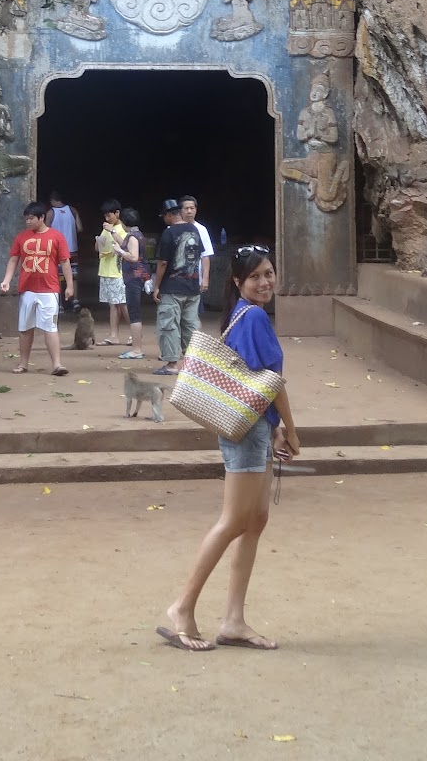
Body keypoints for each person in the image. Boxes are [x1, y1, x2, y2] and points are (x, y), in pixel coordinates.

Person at [158, 245, 300, 652]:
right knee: (234, 521)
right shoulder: (253, 315)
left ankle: (233, 621)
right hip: (247, 432)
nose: (265, 282)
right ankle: (182, 608)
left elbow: (257, 384)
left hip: (254, 428)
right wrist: (291, 430)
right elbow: (272, 383)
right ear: (238, 283)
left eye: (269, 273)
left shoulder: (241, 314)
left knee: (253, 522)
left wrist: (274, 430)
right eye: (255, 276)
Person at [1, 201, 73, 376]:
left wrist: (69, 285)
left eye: (31, 218)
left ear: (42, 218)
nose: (28, 222)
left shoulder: (57, 237)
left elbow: (65, 262)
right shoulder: (21, 237)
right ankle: (23, 363)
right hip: (27, 289)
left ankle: (57, 364)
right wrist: (7, 279)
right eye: (26, 219)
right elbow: (13, 259)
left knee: (50, 327)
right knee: (25, 328)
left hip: (49, 289)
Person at [152, 198, 203, 376]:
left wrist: (156, 285)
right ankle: (193, 365)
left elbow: (163, 262)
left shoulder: (169, 233)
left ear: (168, 215)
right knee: (190, 325)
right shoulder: (194, 230)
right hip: (192, 286)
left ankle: (172, 364)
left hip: (172, 287)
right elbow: (199, 256)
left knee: (169, 324)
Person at [115, 206, 150, 359]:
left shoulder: (133, 237)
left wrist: (120, 252)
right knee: (134, 312)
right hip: (136, 277)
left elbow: (133, 256)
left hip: (134, 278)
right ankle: (137, 347)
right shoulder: (136, 235)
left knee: (134, 313)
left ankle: (137, 349)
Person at [95, 198, 128, 345]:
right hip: (105, 269)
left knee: (123, 303)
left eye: (109, 215)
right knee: (112, 304)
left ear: (117, 213)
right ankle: (114, 335)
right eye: (105, 216)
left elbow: (126, 245)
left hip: (118, 271)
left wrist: (112, 231)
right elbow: (97, 247)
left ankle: (134, 331)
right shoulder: (105, 228)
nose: (107, 219)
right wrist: (99, 241)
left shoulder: (123, 228)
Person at [46, 191, 81, 311]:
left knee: (58, 276)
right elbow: (80, 228)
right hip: (72, 249)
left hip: (57, 250)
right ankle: (75, 301)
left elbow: (45, 230)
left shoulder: (50, 213)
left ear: (52, 200)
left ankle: (59, 303)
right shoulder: (72, 210)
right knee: (74, 275)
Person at [179, 195, 213, 311]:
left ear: (196, 210)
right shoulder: (172, 229)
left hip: (195, 280)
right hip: (176, 280)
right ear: (180, 210)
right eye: (186, 208)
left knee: (194, 315)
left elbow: (205, 256)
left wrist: (205, 279)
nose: (189, 211)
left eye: (192, 208)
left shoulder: (202, 230)